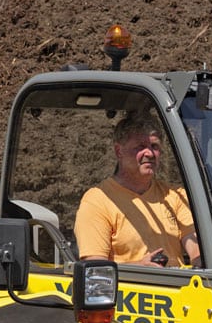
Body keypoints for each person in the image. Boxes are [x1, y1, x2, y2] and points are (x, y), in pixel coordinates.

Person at [74, 113, 201, 267]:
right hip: (128, 289)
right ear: (119, 151)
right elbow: (94, 268)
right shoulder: (98, 200)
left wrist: (202, 262)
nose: (149, 153)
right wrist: (140, 267)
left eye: (154, 146)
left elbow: (196, 250)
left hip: (178, 289)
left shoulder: (176, 196)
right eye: (140, 147)